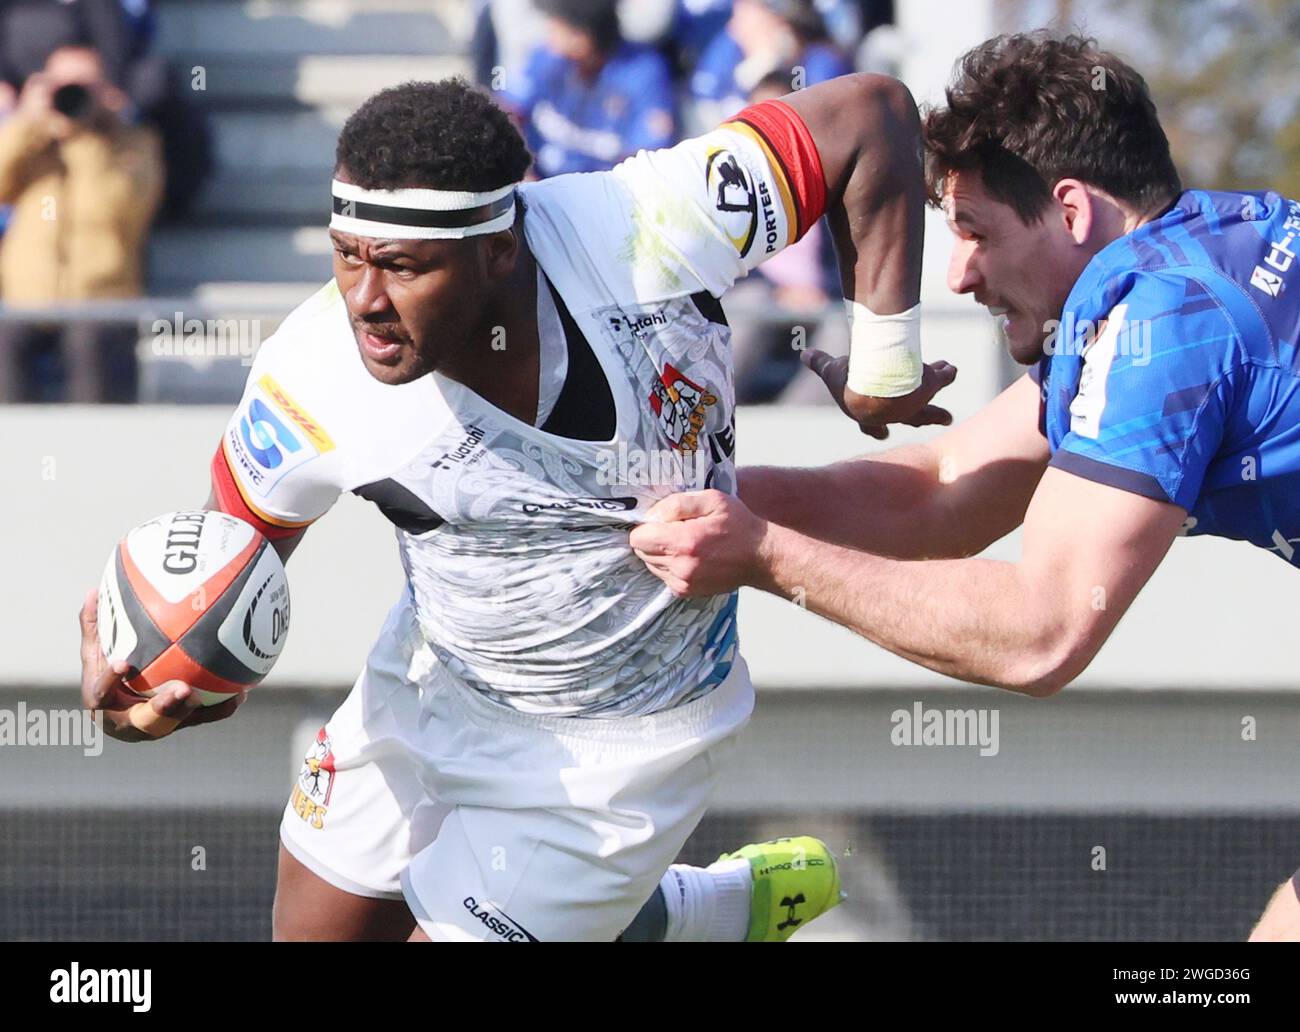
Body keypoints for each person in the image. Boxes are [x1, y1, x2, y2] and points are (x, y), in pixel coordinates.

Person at [77, 72, 951, 941]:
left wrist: (884, 364)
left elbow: (869, 118)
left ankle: (668, 912)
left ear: (500, 247)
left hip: (624, 745)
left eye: (404, 266)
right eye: (347, 255)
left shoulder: (645, 225)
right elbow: (229, 549)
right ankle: (690, 916)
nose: (365, 302)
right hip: (429, 683)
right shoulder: (310, 380)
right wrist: (161, 667)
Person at [627, 32, 1300, 941]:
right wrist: (686, 496)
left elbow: (1040, 631)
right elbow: (944, 488)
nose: (957, 273)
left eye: (976, 232)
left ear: (1070, 211)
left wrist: (764, 555)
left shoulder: (1170, 321)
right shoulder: (1196, 257)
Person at [0, 44, 163, 402]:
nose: (71, 94)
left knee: (91, 347)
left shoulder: (134, 144)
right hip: (26, 300)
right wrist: (27, 122)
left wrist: (92, 133)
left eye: (83, 85)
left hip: (100, 300)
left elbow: (123, 209)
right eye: (61, 85)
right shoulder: (31, 142)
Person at [500, 0, 676, 178]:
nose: (549, 28)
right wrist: (523, 173)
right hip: (540, 182)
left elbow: (648, 155)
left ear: (582, 36)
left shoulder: (642, 70)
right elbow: (507, 112)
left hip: (607, 192)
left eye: (557, 22)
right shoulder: (545, 56)